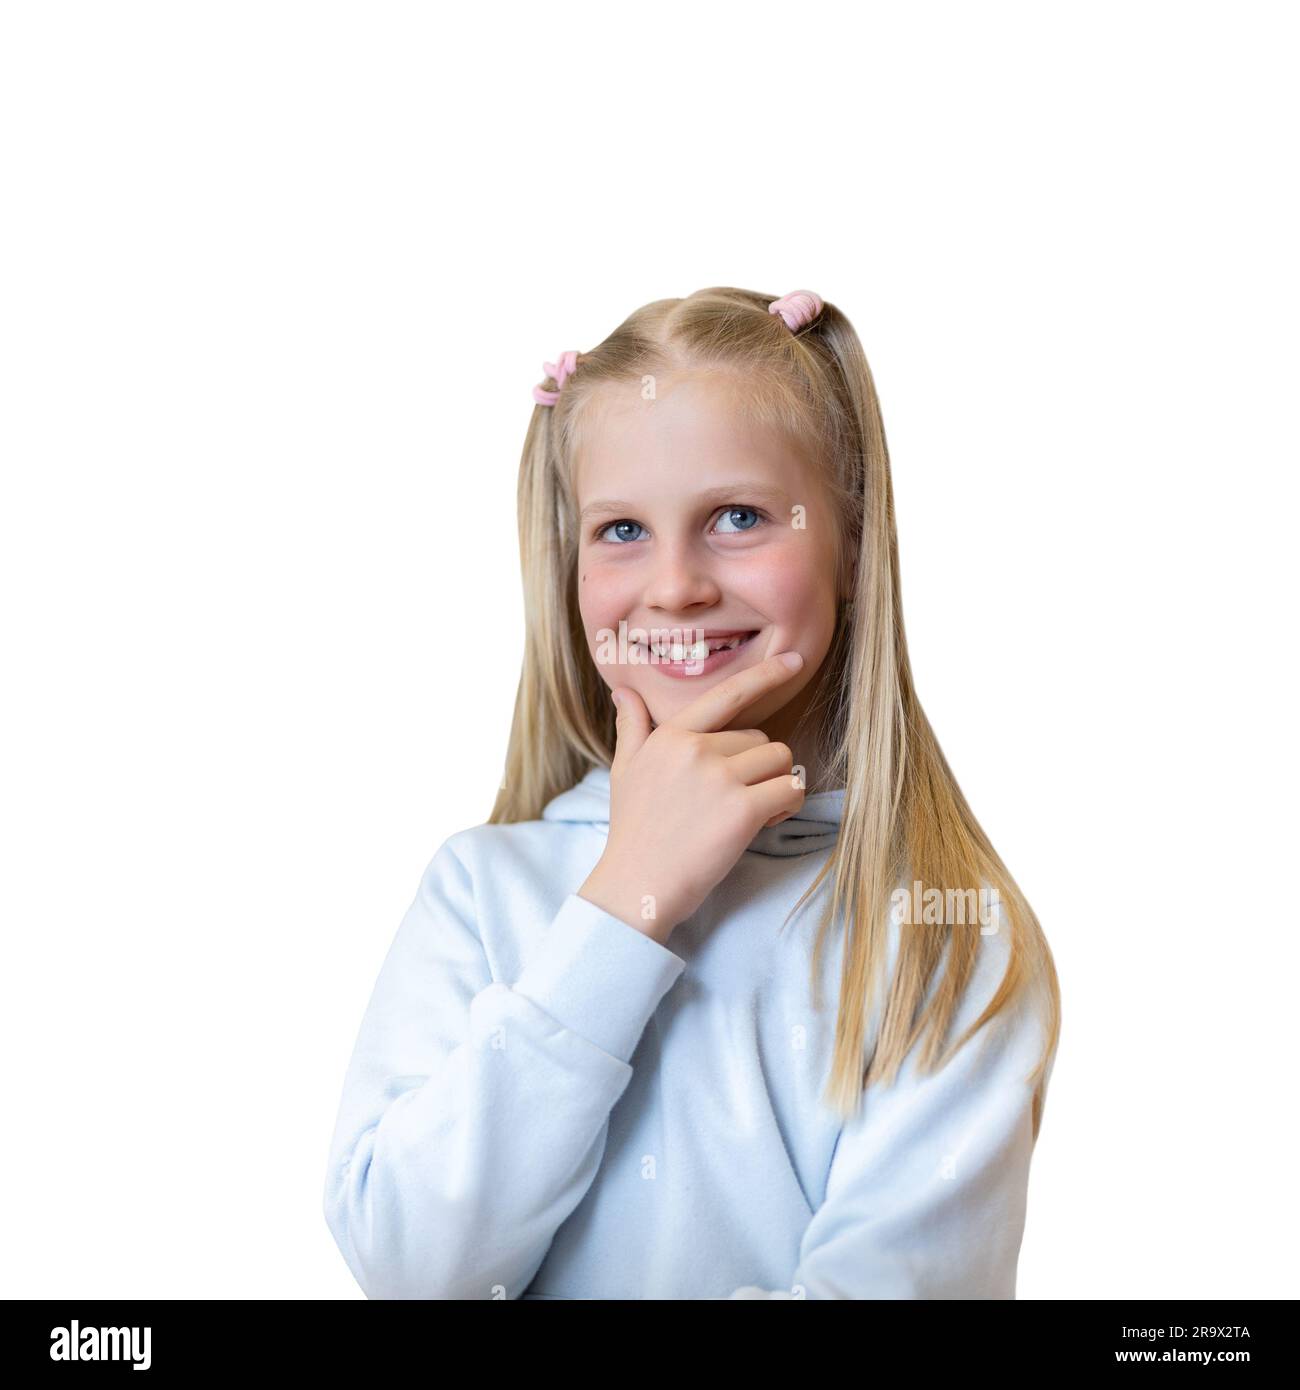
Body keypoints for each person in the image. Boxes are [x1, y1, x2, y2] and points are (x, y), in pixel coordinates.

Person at [321, 286, 1062, 1299]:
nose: (675, 586)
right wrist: (624, 901)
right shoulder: (479, 889)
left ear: (850, 541)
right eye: (622, 529)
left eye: (738, 517)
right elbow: (412, 1267)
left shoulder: (946, 933)